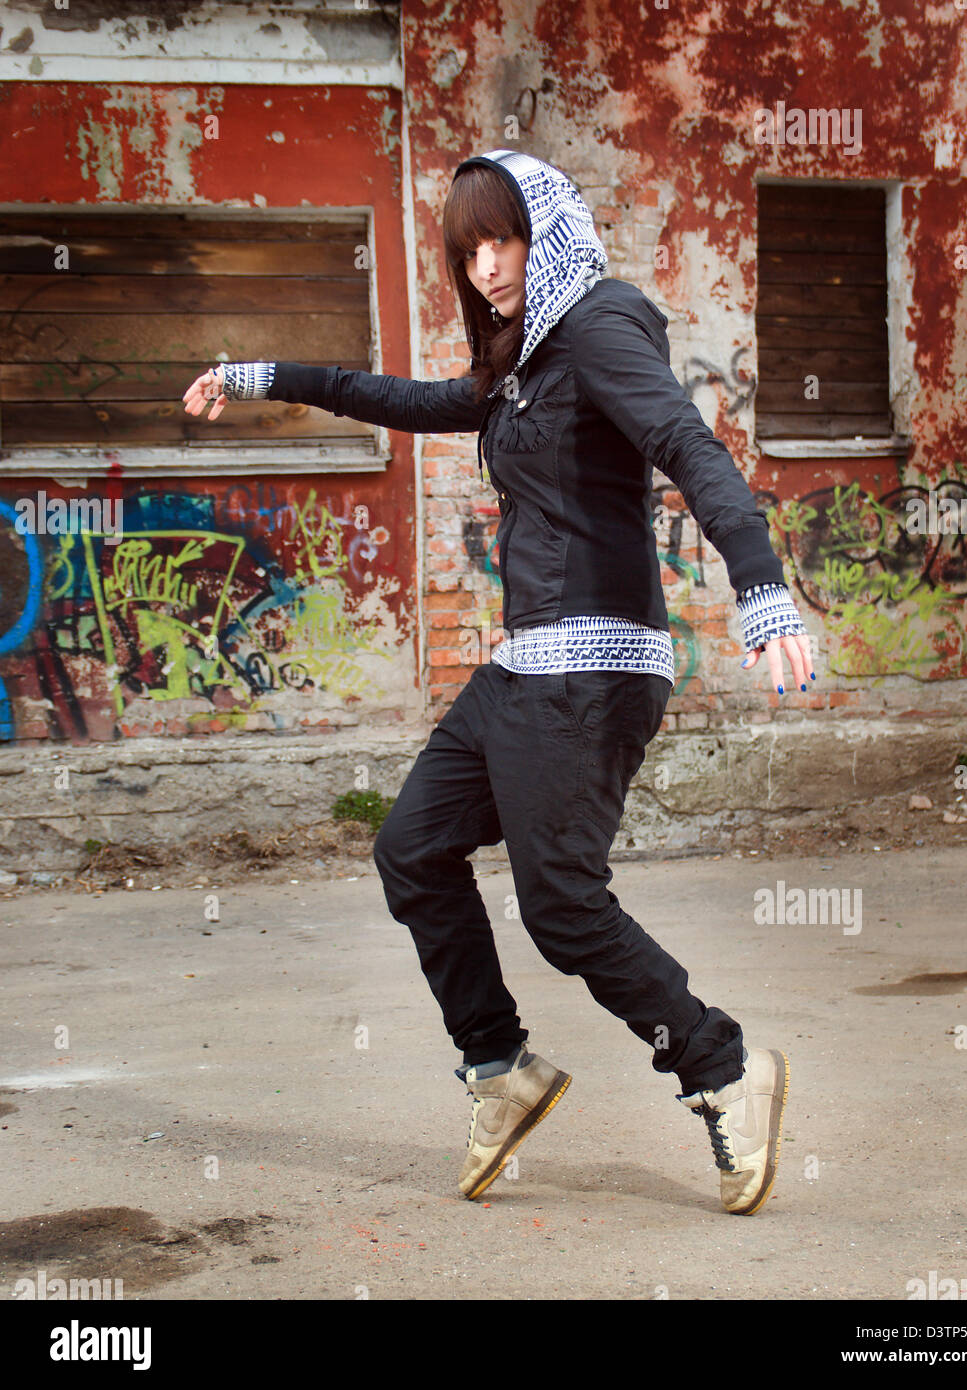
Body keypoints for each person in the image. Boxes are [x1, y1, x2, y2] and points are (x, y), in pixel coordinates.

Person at [182, 148, 813, 1216]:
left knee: (563, 909)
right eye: (468, 250)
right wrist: (258, 377)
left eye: (503, 239)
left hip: (597, 668)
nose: (486, 266)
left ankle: (721, 1066)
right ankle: (500, 1068)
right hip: (525, 668)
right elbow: (393, 393)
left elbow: (686, 445)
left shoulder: (603, 327)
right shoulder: (522, 365)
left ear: (548, 231)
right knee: (413, 848)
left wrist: (760, 584)